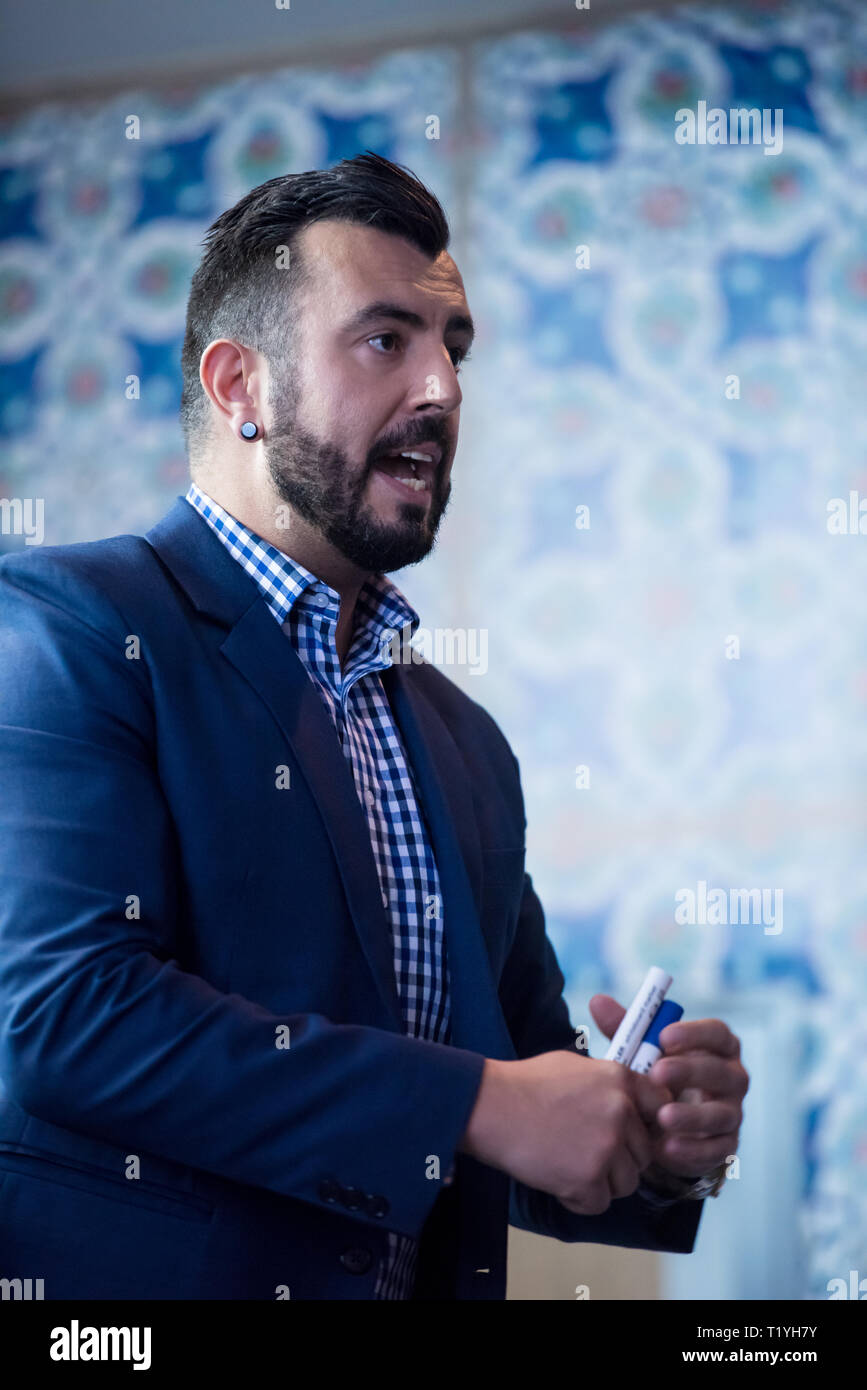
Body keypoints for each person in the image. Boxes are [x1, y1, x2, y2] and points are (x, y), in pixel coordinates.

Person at [0, 152, 748, 1300]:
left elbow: (512, 1097)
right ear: (239, 387)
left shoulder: (467, 745)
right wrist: (482, 1102)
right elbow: (69, 1018)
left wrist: (647, 1135)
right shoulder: (72, 626)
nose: (444, 388)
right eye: (387, 338)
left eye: (455, 347)